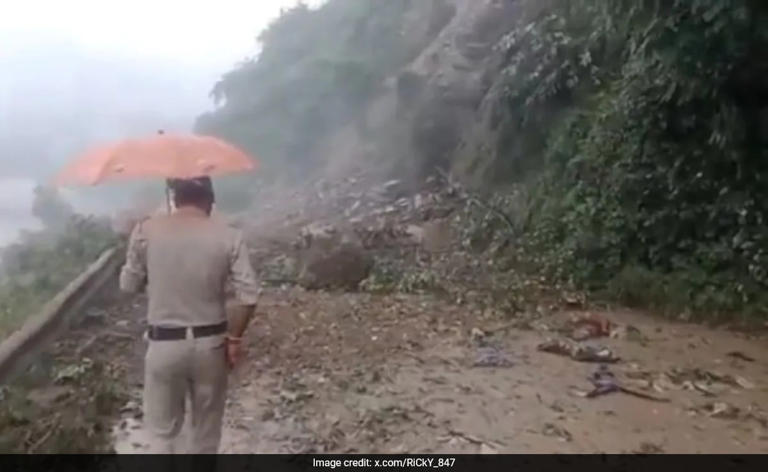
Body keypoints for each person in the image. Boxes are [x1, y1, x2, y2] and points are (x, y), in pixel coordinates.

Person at [119, 176, 260, 454]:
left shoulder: (146, 231)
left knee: (162, 435)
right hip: (211, 347)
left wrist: (139, 252)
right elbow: (249, 295)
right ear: (210, 200)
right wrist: (234, 339)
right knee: (205, 437)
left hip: (163, 345)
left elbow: (127, 286)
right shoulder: (229, 235)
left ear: (175, 197)